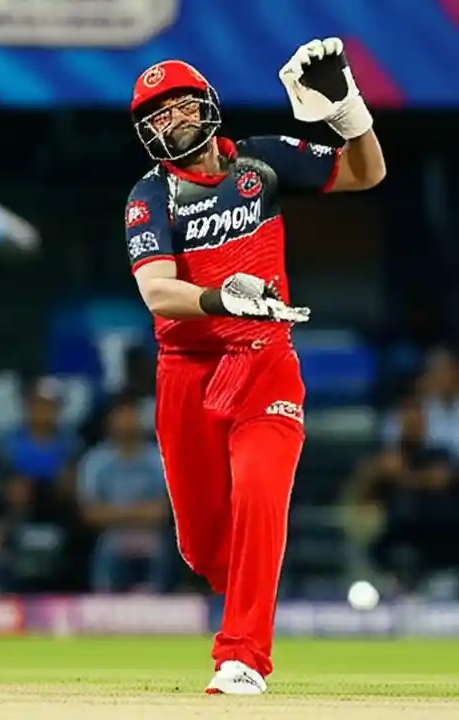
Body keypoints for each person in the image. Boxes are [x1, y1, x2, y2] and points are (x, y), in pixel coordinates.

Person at [123, 39, 385, 695]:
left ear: (206, 104)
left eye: (179, 105)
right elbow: (157, 292)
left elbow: (366, 172)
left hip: (265, 361)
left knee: (260, 500)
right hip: (187, 371)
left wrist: (349, 113)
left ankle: (240, 658)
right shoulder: (150, 195)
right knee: (205, 548)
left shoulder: (262, 160)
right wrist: (219, 295)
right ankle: (233, 585)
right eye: (155, 117)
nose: (171, 122)